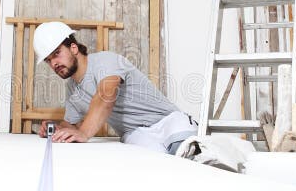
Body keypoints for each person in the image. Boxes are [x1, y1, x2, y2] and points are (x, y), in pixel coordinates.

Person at [33, 21, 196, 154]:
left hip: (167, 121)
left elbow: (106, 95)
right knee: (155, 164)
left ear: (73, 48)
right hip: (135, 133)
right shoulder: (72, 88)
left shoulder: (105, 61)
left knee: (187, 154)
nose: (54, 63)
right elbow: (74, 127)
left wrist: (83, 133)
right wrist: (56, 129)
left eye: (56, 53)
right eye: (48, 60)